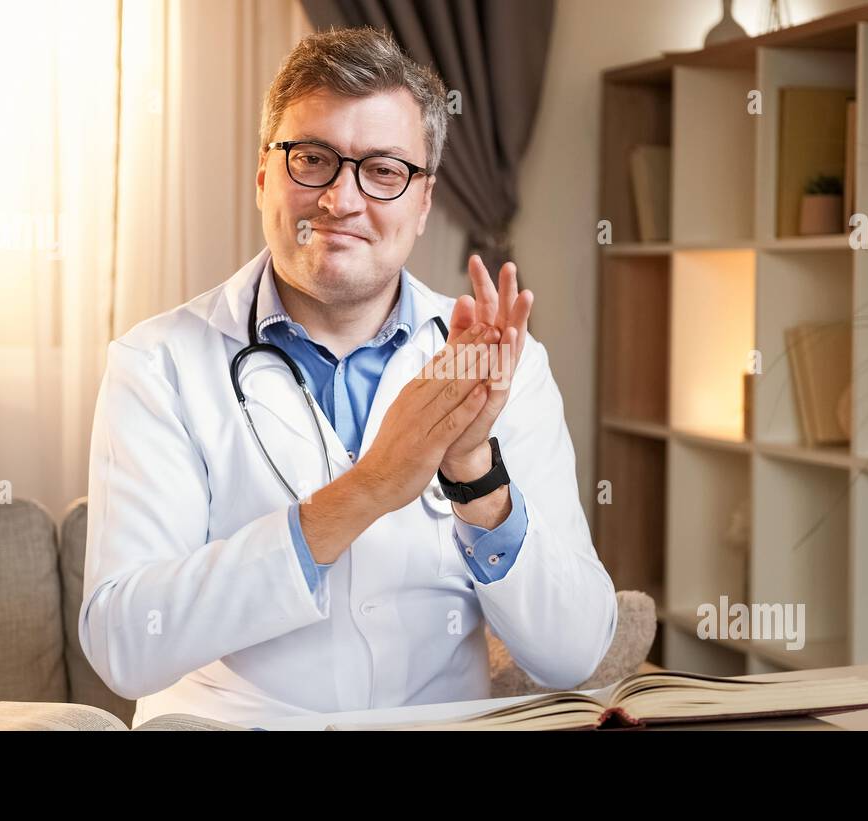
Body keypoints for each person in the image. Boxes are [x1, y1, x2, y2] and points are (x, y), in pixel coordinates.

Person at [79, 26, 616, 727]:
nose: (342, 198)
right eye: (313, 158)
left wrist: (475, 476)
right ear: (265, 175)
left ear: (423, 203)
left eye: (385, 170)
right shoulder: (158, 364)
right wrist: (365, 490)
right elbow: (125, 643)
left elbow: (574, 651)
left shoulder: (498, 364)